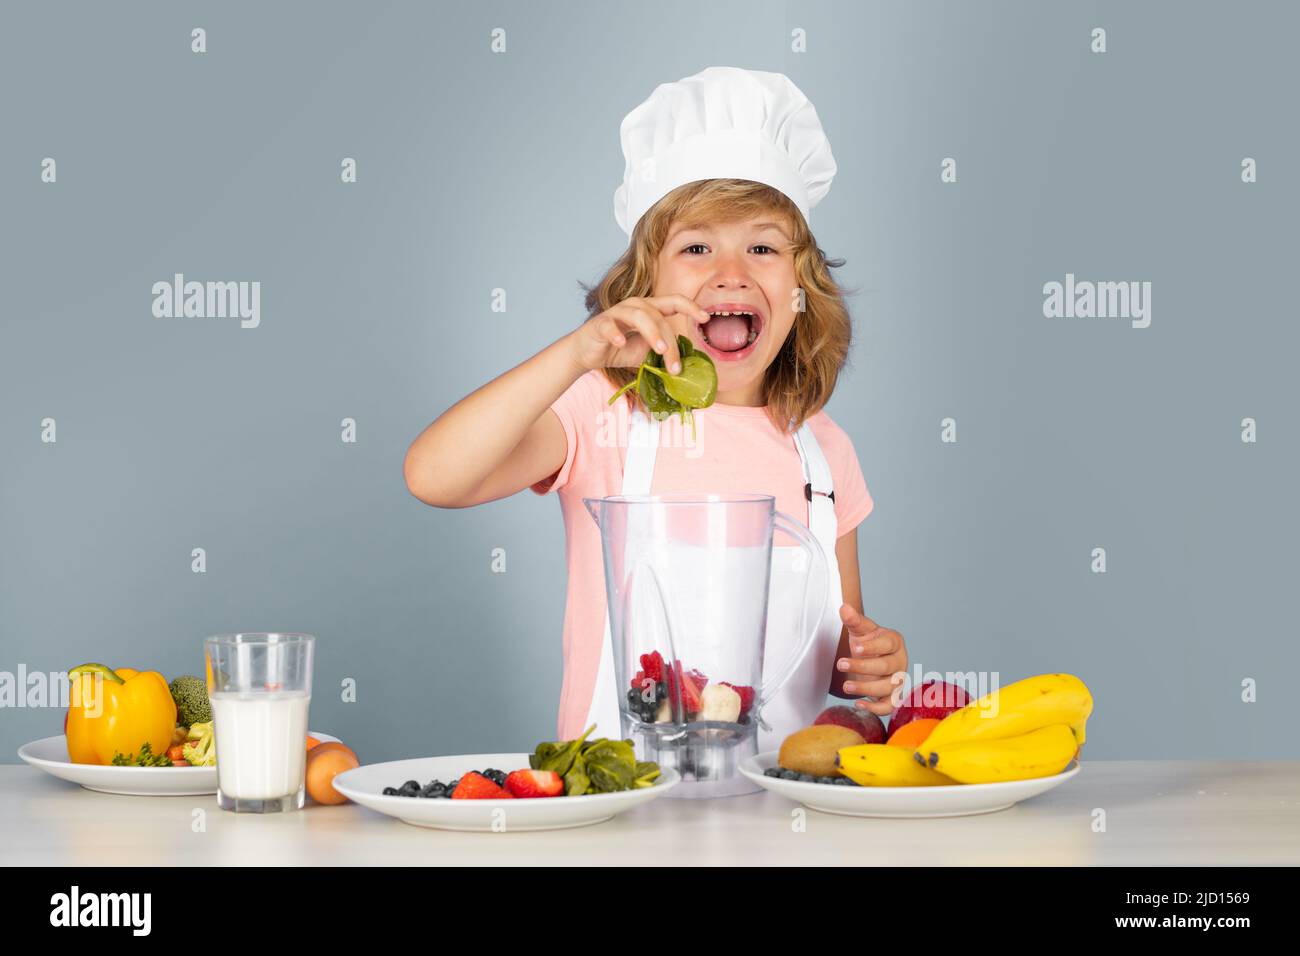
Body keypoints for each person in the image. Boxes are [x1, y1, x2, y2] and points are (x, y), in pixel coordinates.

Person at [404, 67, 909, 748]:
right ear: (646, 285)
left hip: (787, 826)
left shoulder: (825, 453)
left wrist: (873, 668)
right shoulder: (600, 413)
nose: (731, 272)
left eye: (763, 247)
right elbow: (434, 476)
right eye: (696, 247)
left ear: (801, 290)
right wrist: (575, 355)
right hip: (621, 820)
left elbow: (840, 660)